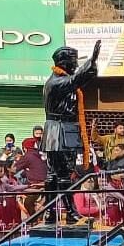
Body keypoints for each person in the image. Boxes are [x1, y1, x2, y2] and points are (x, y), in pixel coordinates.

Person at [42, 43, 99, 223]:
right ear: (64, 63)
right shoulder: (55, 82)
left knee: (55, 174)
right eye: (73, 62)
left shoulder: (63, 80)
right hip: (57, 131)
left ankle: (51, 212)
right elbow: (75, 80)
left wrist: (91, 64)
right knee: (62, 174)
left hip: (63, 130)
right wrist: (92, 60)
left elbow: (78, 79)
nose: (75, 65)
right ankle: (70, 213)